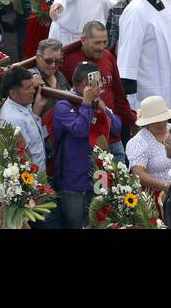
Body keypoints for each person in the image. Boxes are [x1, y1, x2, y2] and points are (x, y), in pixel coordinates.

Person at [52, 63, 122, 229]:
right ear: (85, 84)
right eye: (97, 82)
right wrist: (86, 103)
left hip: (99, 175)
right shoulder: (64, 105)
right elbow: (81, 130)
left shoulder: (99, 102)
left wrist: (103, 111)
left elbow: (117, 128)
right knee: (75, 225)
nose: (101, 85)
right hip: (74, 180)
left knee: (101, 222)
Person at [125, 95, 171, 201]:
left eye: (163, 118)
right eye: (157, 121)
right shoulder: (138, 142)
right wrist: (165, 186)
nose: (162, 123)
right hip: (157, 197)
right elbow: (138, 174)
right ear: (147, 122)